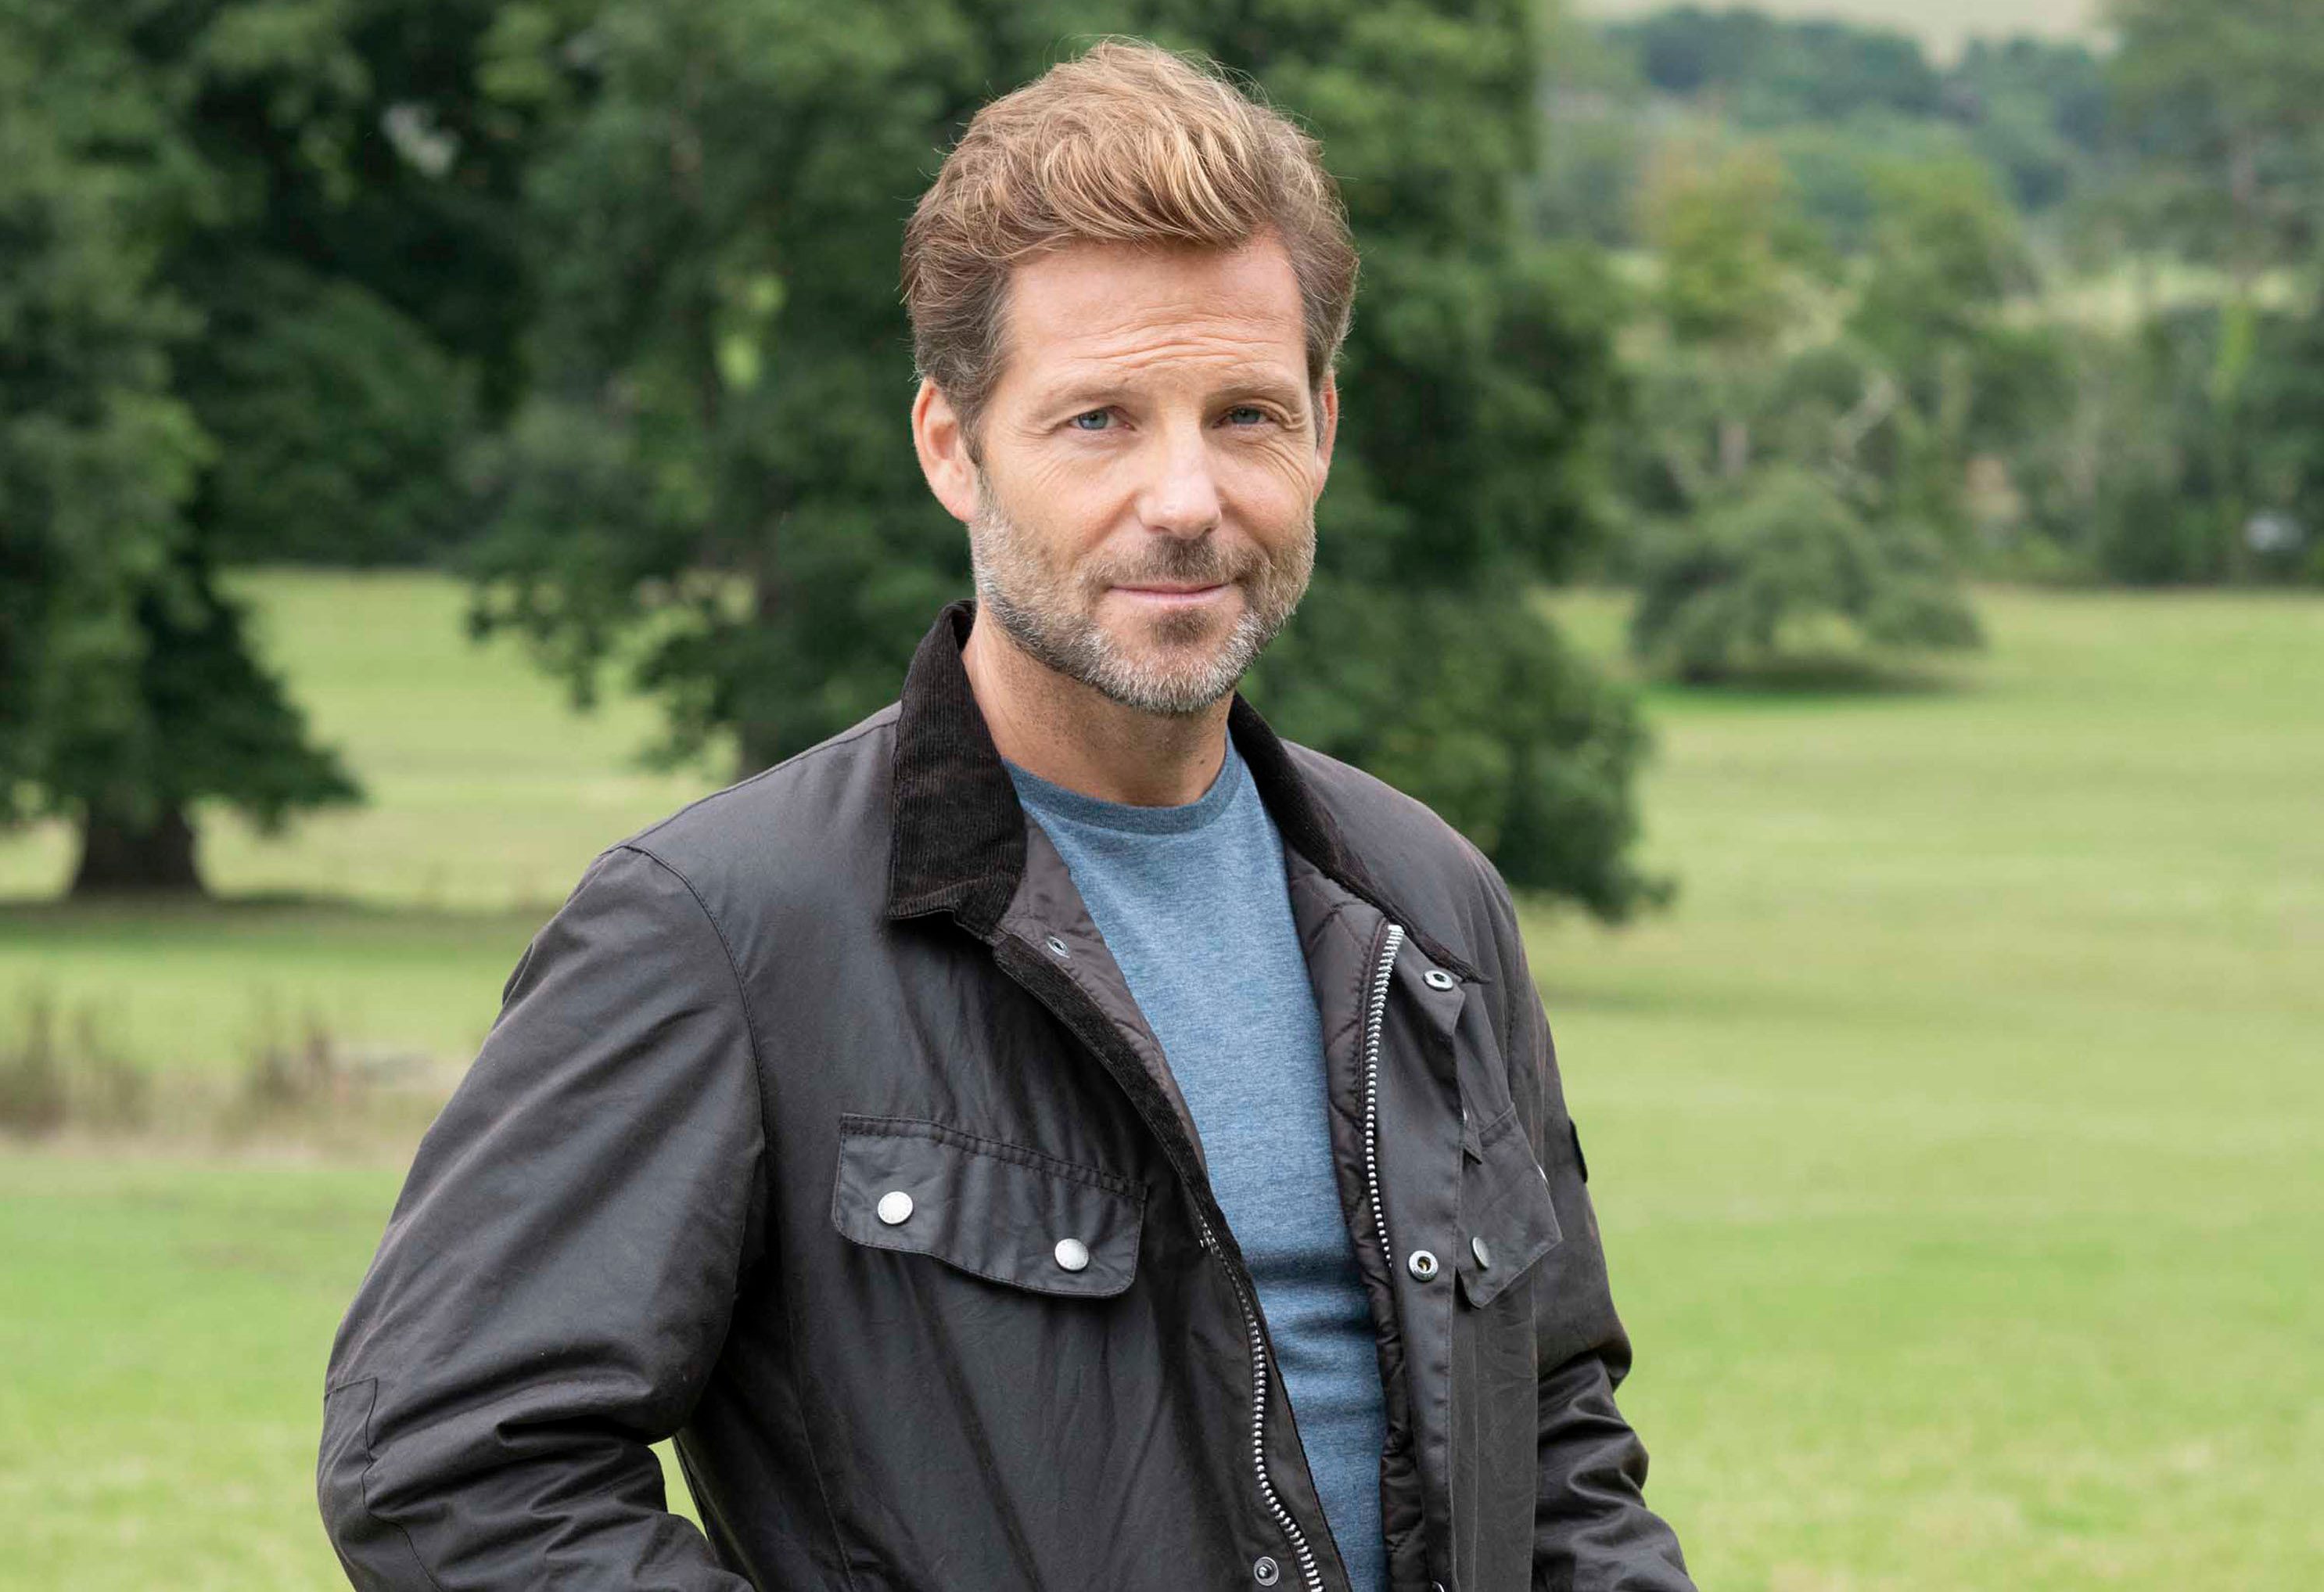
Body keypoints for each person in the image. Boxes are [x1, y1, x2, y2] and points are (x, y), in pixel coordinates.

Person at [316, 38, 1694, 1592]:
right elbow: (447, 1466)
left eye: (1243, 414)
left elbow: (1556, 1441)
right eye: (1099, 419)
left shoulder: (1429, 908)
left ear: (1322, 426)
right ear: (951, 448)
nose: (1186, 499)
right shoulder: (721, 930)